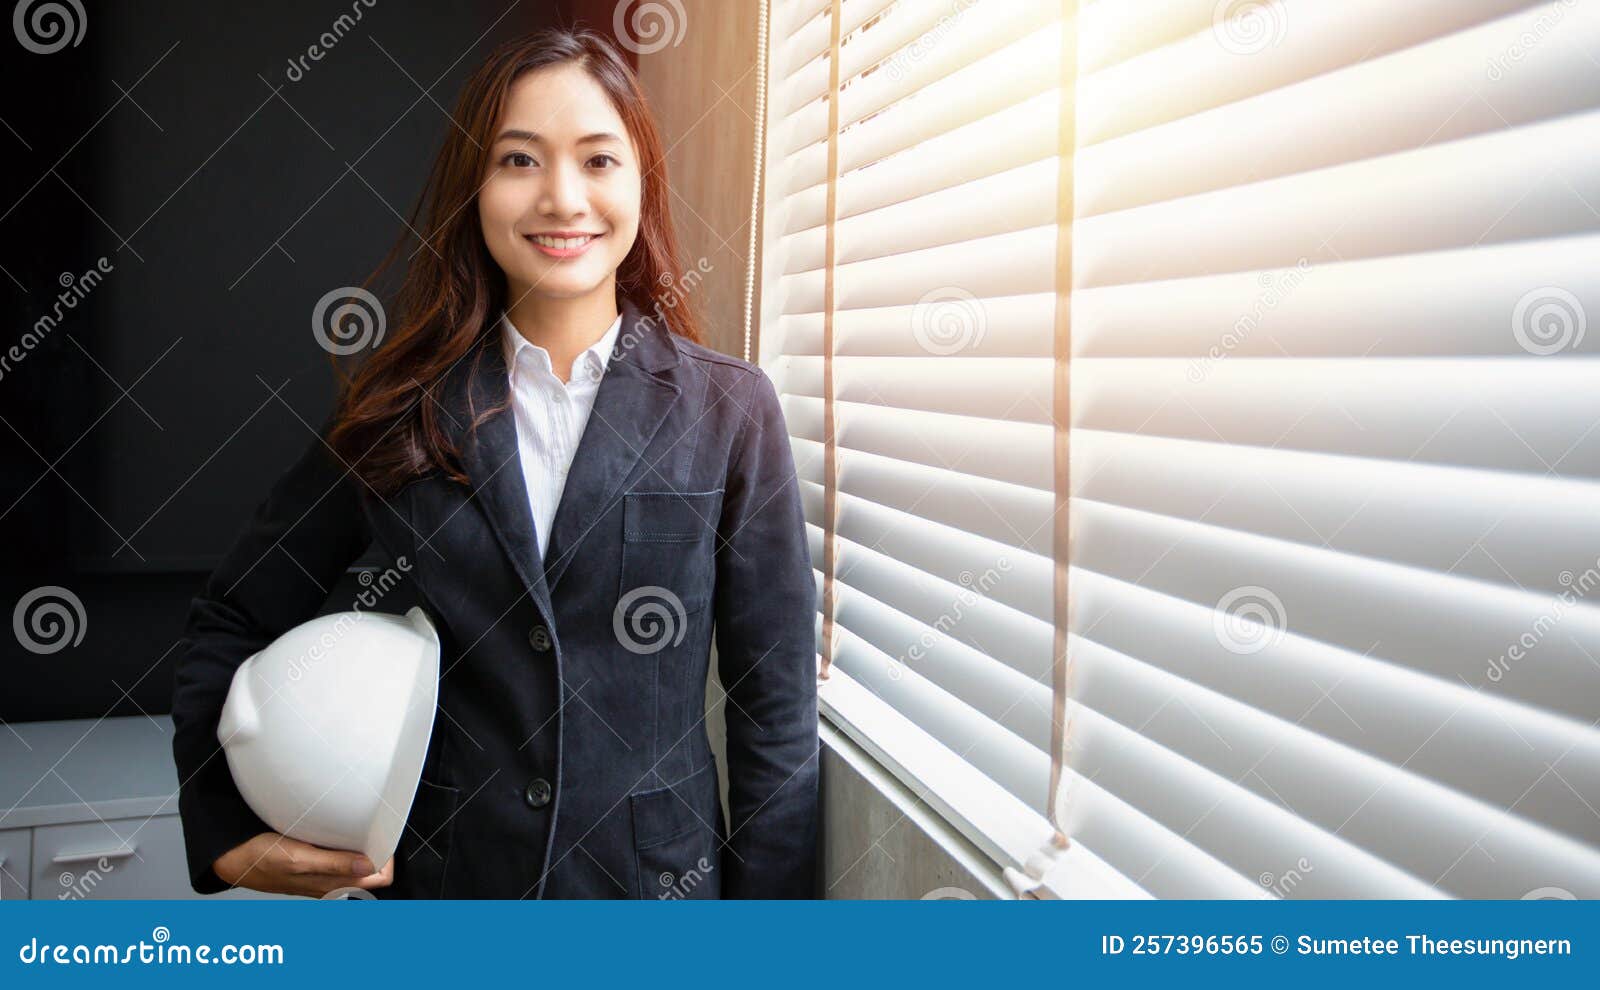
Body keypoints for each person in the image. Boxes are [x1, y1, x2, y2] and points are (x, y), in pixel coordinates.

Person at [170, 27, 819, 899]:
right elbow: (232, 620)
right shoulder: (397, 404)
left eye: (597, 161)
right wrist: (224, 832)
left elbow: (775, 714)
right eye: (519, 160)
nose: (561, 198)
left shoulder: (732, 410)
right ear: (473, 188)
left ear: (641, 182)